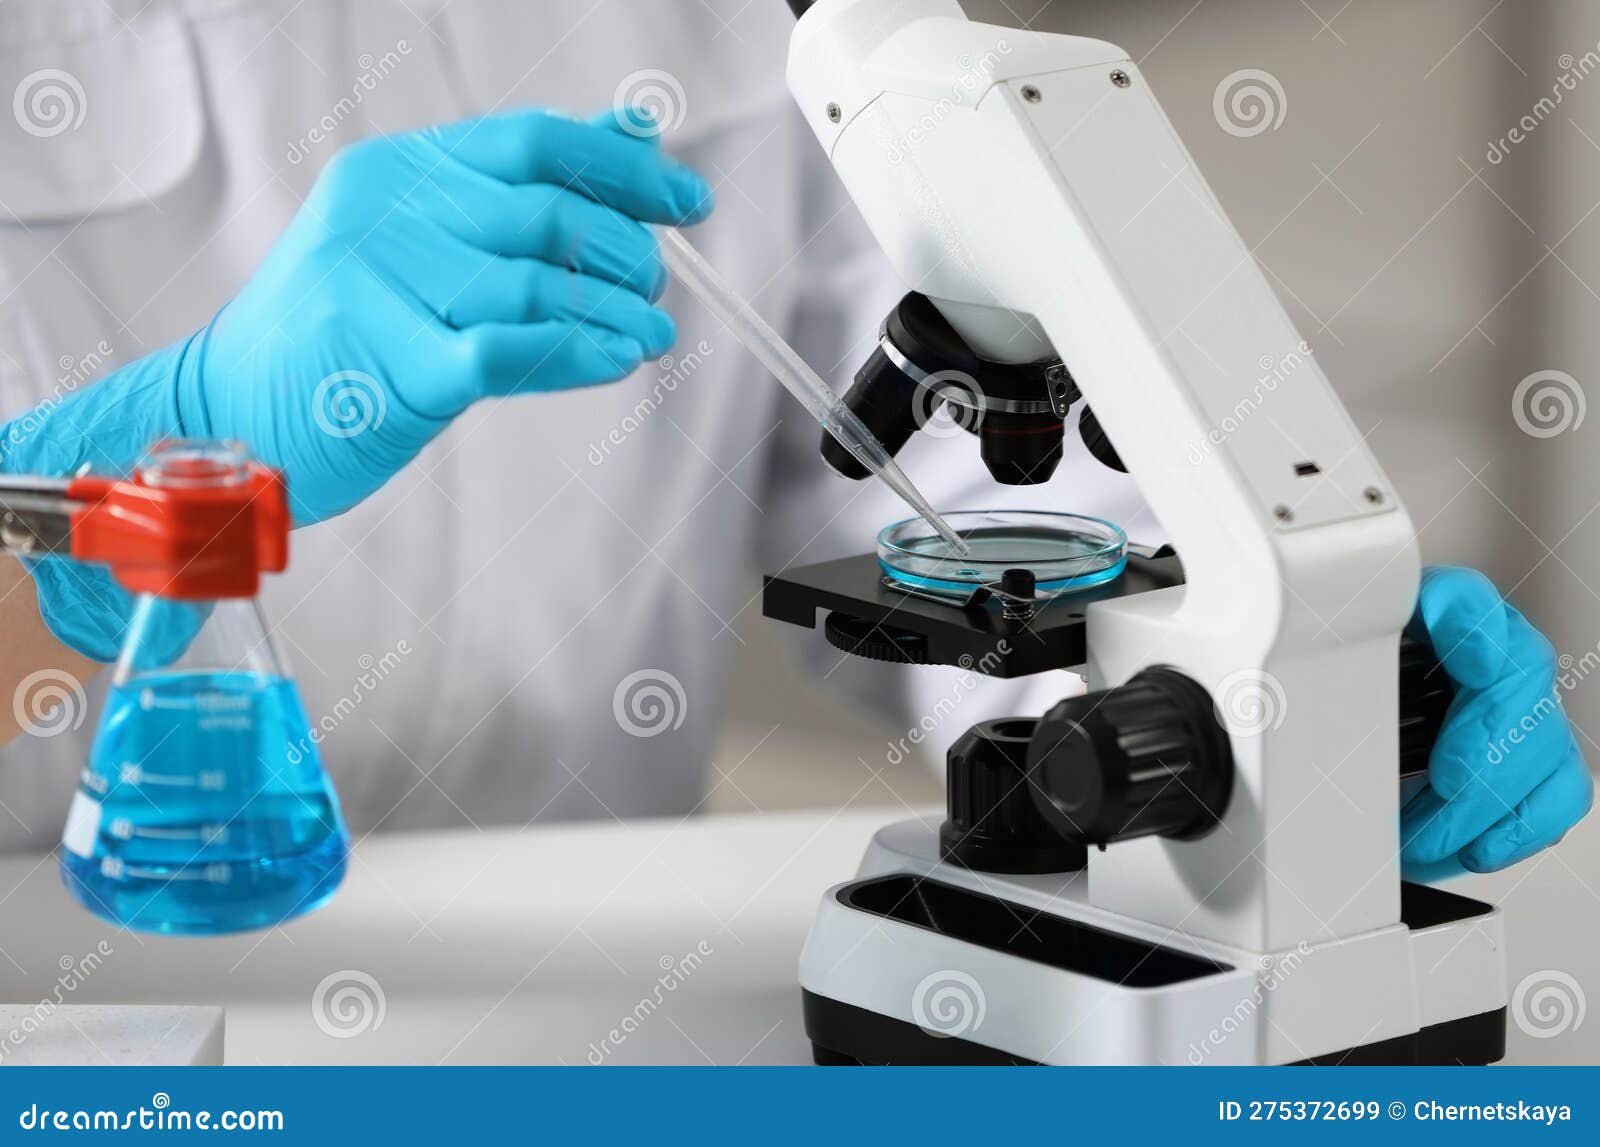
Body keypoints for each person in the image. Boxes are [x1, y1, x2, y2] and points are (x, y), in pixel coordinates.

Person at [0, 0, 1587, 882]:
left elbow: (957, 466)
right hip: (88, 988)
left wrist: (1275, 678)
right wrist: (147, 468)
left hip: (591, 990)